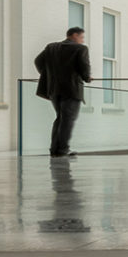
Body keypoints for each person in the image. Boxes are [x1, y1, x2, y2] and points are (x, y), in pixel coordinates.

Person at [35, 26, 91, 158]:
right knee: (68, 120)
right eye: (81, 37)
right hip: (72, 89)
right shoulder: (81, 48)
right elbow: (84, 66)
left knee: (60, 118)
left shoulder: (51, 47)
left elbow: (38, 61)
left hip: (54, 89)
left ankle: (55, 149)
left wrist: (49, 75)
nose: (82, 40)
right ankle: (62, 150)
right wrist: (87, 77)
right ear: (74, 35)